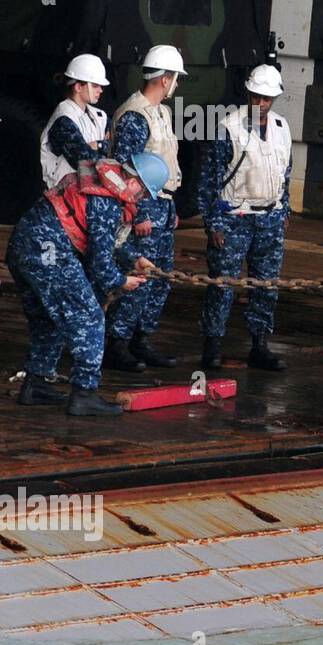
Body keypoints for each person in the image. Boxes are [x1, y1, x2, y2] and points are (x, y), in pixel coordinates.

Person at [5, 153, 169, 416]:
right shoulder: (106, 201)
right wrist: (121, 281)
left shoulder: (104, 186)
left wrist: (134, 259)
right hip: (50, 251)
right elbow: (100, 262)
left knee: (48, 318)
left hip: (25, 245)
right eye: (145, 194)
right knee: (89, 317)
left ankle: (36, 385)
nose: (143, 200)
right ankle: (85, 393)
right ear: (136, 182)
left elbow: (103, 239)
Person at [198, 65, 294, 371]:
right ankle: (212, 345)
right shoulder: (229, 128)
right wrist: (214, 223)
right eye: (256, 97)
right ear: (248, 93)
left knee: (266, 286)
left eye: (267, 98)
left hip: (270, 218)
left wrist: (285, 209)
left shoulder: (282, 127)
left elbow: (285, 173)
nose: (261, 103)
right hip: (234, 218)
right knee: (222, 286)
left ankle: (259, 345)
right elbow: (209, 181)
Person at [105, 45, 187, 372]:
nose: (177, 84)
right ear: (165, 79)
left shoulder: (162, 112)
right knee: (139, 272)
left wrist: (171, 205)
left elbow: (165, 161)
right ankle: (117, 343)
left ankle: (141, 338)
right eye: (176, 78)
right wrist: (137, 213)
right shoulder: (135, 116)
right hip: (144, 204)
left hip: (163, 203)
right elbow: (126, 170)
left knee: (159, 277)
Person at [39, 54, 111, 188]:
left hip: (87, 194)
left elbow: (118, 145)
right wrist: (104, 147)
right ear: (78, 87)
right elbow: (85, 160)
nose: (100, 90)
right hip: (64, 196)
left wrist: (98, 145)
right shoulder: (63, 119)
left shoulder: (99, 115)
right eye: (95, 85)